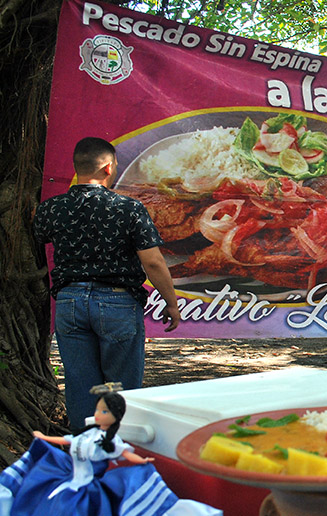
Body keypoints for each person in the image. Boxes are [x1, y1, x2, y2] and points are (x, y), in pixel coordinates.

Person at [33, 137, 181, 431]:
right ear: (108, 168)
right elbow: (152, 262)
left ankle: (85, 447)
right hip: (117, 303)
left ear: (77, 167)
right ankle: (117, 447)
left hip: (69, 302)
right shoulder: (128, 208)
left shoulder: (51, 209)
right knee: (120, 387)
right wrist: (171, 303)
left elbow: (37, 237)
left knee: (80, 383)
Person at [0, 384, 221, 515]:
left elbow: (125, 454)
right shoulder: (88, 435)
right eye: (98, 410)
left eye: (104, 412)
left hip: (91, 484)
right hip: (70, 477)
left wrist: (142, 461)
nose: (98, 415)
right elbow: (66, 440)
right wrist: (43, 437)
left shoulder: (111, 441)